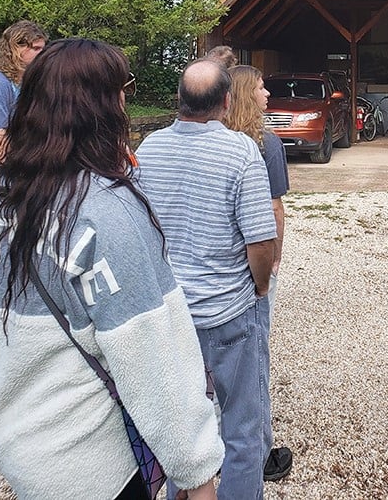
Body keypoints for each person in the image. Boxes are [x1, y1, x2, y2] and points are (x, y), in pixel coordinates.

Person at [0, 39, 220, 500]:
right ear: (104, 104)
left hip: (24, 450)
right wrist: (196, 474)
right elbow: (152, 356)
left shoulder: (7, 201)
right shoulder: (105, 212)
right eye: (124, 89)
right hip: (94, 465)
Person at [135, 59, 292, 500]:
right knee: (243, 427)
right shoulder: (241, 151)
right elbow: (261, 241)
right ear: (226, 102)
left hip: (169, 314)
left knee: (182, 421)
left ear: (179, 101)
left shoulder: (149, 149)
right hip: (227, 313)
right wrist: (260, 287)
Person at [224, 65, 288, 323]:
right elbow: (275, 209)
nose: (267, 93)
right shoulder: (268, 144)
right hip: (254, 248)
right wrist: (275, 255)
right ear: (247, 94)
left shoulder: (215, 138)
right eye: (261, 87)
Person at [0, 20, 47, 158]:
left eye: (43, 49)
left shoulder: (32, 81)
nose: (42, 54)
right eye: (36, 48)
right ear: (16, 48)